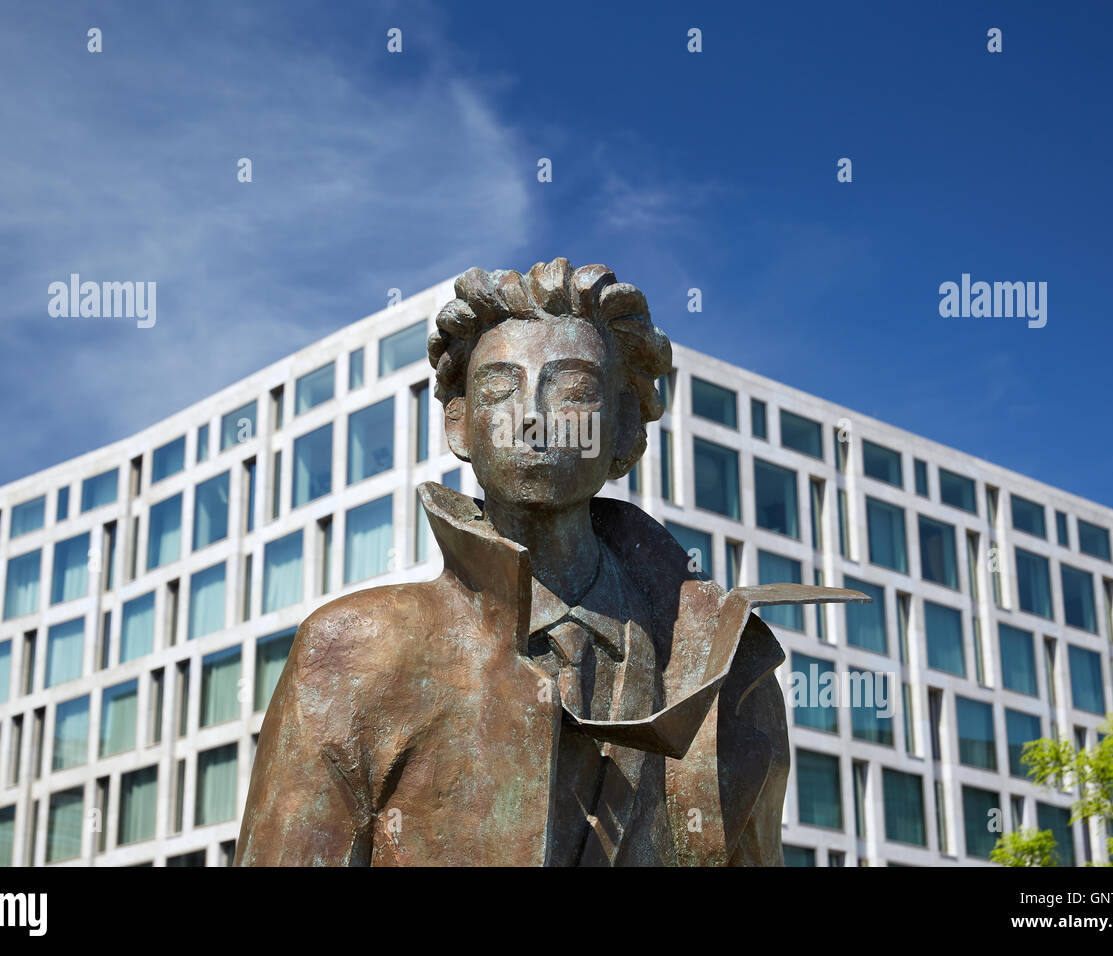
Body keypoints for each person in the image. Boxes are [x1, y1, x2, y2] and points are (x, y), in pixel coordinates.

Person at [235, 258, 865, 865]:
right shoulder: (354, 653)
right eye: (500, 390)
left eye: (572, 391)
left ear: (623, 428)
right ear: (460, 424)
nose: (534, 418)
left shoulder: (723, 667)